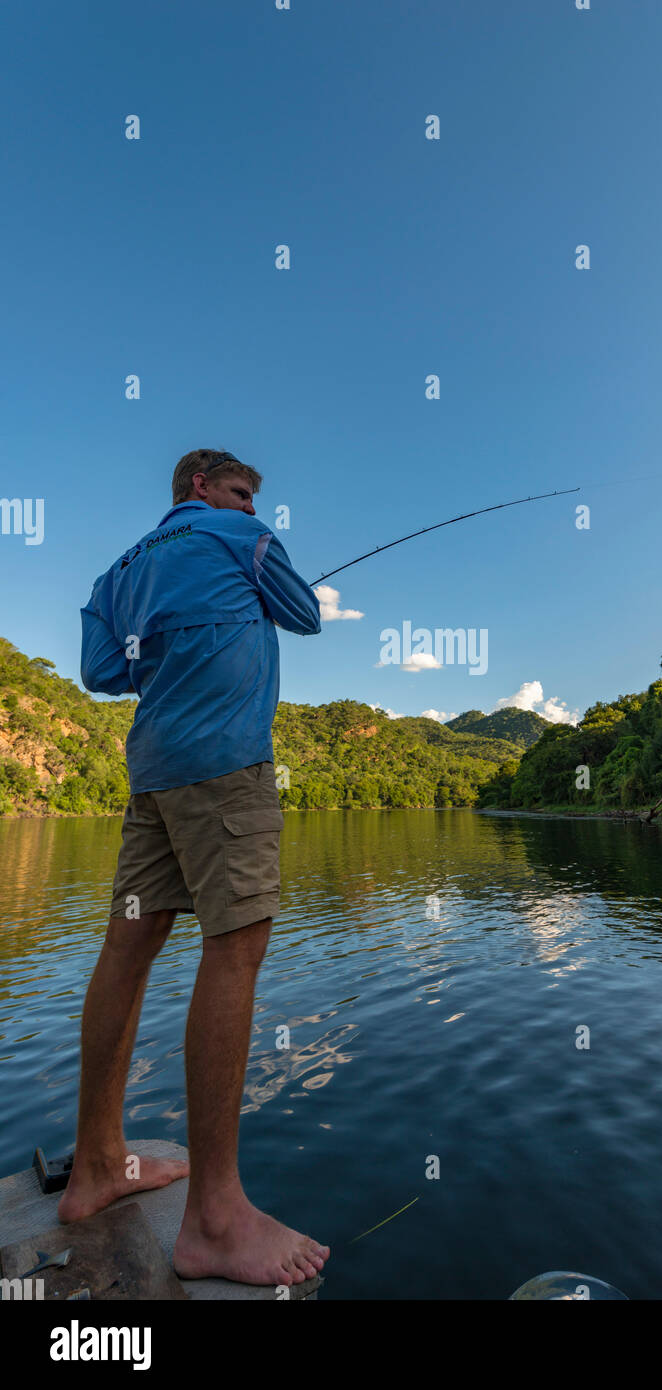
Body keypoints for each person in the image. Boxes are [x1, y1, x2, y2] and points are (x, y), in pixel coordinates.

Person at [59, 448, 330, 1288]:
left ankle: (97, 1164)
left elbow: (102, 673)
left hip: (155, 774)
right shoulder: (236, 536)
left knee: (126, 948)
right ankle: (214, 1220)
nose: (253, 507)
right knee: (235, 951)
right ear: (202, 488)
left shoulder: (115, 575)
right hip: (227, 765)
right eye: (243, 492)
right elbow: (306, 615)